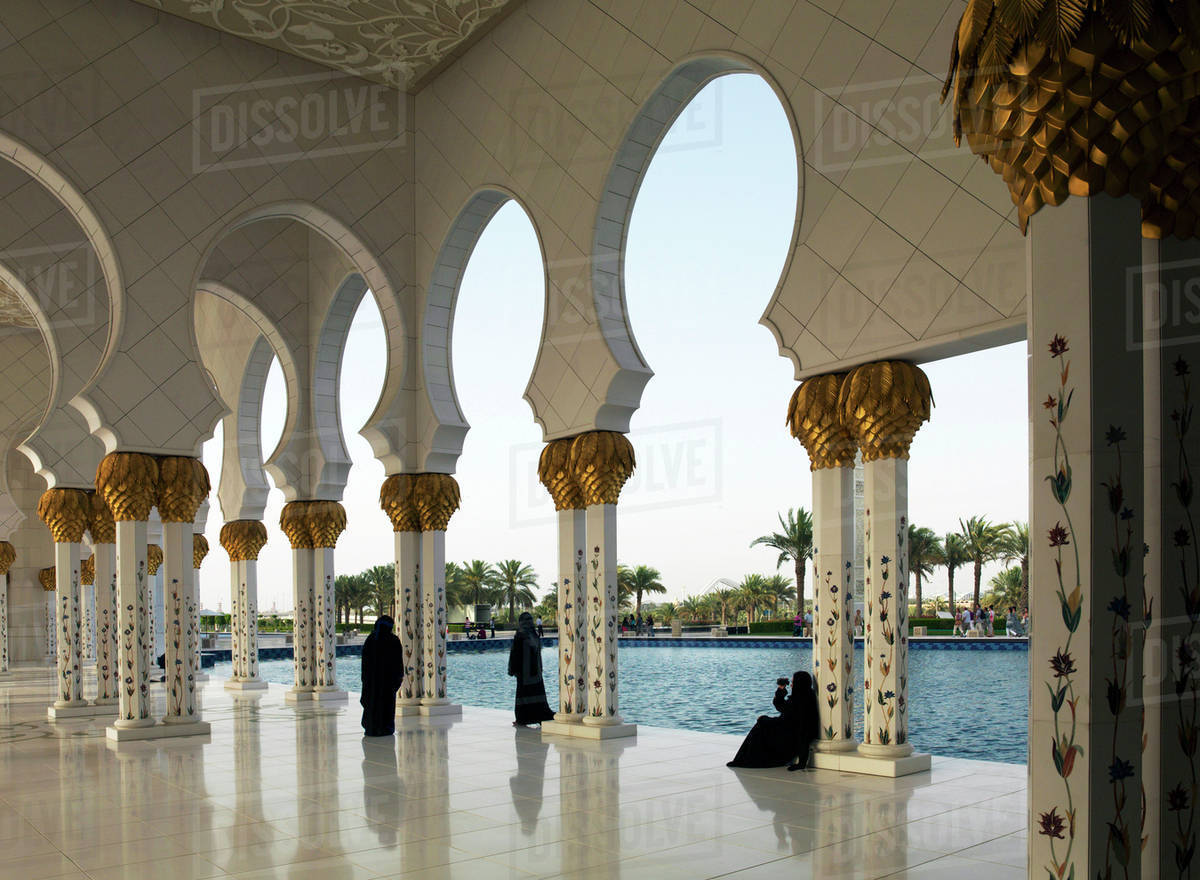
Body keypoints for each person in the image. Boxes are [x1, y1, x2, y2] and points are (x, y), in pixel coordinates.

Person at [726, 670, 819, 770]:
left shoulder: (801, 701)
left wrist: (802, 763)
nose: (791, 685)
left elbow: (800, 730)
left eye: (793, 683)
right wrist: (781, 690)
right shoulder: (803, 697)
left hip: (790, 738)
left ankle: (745, 759)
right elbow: (783, 710)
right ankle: (743, 759)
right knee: (762, 723)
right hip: (788, 732)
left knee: (761, 724)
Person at [509, 612, 555, 726]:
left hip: (524, 673)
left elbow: (514, 653)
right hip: (534, 672)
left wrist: (512, 669)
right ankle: (540, 716)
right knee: (536, 693)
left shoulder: (521, 635)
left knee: (524, 695)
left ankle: (523, 718)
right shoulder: (533, 634)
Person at [360, 615, 403, 736]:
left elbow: (364, 664)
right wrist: (397, 680)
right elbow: (398, 664)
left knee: (372, 702)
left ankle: (371, 727)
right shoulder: (393, 640)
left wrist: (365, 680)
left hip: (371, 682)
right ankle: (385, 728)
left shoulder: (370, 639)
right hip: (388, 683)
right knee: (386, 705)